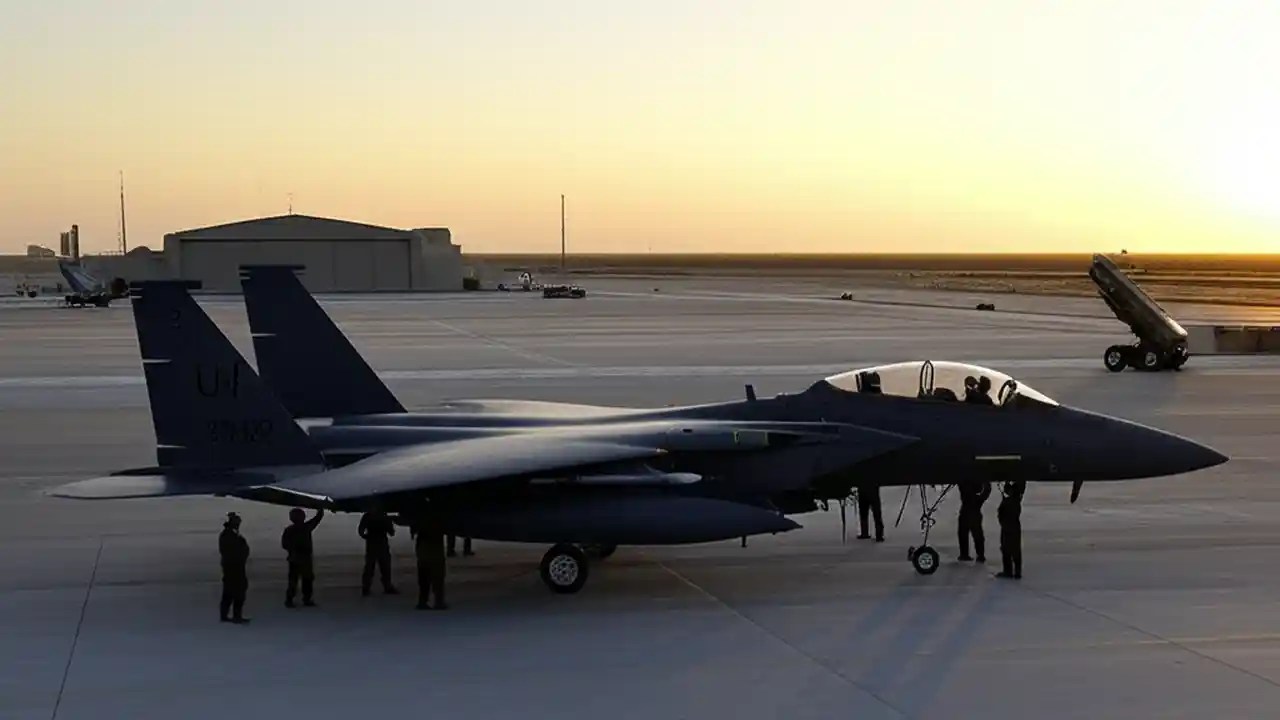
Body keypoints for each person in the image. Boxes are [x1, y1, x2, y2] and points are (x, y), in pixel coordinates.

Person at [281, 507, 325, 607]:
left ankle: (290, 599)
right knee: (306, 580)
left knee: (294, 580)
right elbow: (317, 519)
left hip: (295, 559)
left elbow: (284, 544)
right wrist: (320, 508)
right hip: (303, 559)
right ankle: (305, 599)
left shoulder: (290, 530)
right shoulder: (306, 527)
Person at [411, 508, 448, 610]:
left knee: (424, 579)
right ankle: (438, 601)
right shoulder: (438, 519)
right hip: (434, 552)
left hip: (424, 552)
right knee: (437, 578)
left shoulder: (420, 519)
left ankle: (423, 601)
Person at [219, 512, 251, 624]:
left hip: (234, 566)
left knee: (230, 591)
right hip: (234, 567)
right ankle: (235, 615)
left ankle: (227, 615)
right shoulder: (229, 536)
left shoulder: (231, 535)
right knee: (237, 591)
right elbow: (232, 551)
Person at [358, 510, 398, 596]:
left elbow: (361, 530)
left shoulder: (368, 516)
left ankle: (366, 587)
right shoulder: (384, 515)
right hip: (382, 542)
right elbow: (391, 532)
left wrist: (366, 536)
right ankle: (387, 586)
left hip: (371, 543)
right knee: (385, 566)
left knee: (370, 566)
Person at [956, 479, 991, 562]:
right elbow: (987, 491)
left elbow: (961, 485)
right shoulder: (979, 499)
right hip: (975, 513)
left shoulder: (966, 494)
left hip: (965, 513)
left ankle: (964, 554)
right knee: (977, 535)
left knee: (963, 534)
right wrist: (986, 482)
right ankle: (980, 555)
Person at [997, 480, 1025, 579]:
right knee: (1015, 550)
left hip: (1007, 527)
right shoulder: (1016, 500)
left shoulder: (1009, 502)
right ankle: (1017, 572)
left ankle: (1008, 571)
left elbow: (1001, 514)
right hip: (1014, 527)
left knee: (1006, 550)